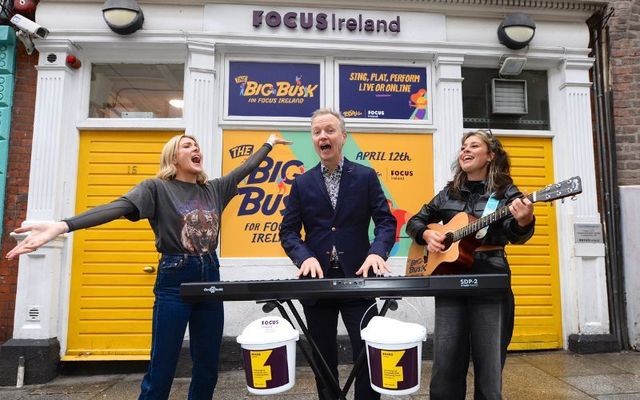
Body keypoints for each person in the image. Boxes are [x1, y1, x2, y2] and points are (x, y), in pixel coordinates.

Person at [7, 133, 291, 400]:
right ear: (172, 157)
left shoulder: (213, 190)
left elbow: (245, 169)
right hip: (175, 279)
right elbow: (115, 208)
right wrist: (62, 225)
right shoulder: (156, 188)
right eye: (187, 145)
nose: (196, 149)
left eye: (197, 146)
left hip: (210, 278)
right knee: (163, 364)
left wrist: (268, 144)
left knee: (207, 363)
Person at [405, 130, 535, 400]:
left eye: (474, 146)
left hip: (490, 277)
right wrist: (427, 235)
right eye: (463, 146)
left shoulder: (507, 193)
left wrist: (524, 221)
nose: (465, 150)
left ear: (490, 156)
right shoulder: (449, 192)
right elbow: (415, 221)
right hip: (450, 279)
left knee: (489, 364)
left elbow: (515, 234)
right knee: (446, 363)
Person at [279, 108, 396, 400]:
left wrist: (377, 253)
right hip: (317, 286)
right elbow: (288, 231)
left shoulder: (366, 177)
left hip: (358, 279)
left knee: (367, 355)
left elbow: (386, 221)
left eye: (329, 130)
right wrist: (303, 257)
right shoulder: (301, 183)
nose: (322, 136)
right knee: (323, 361)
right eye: (317, 132)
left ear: (343, 136)